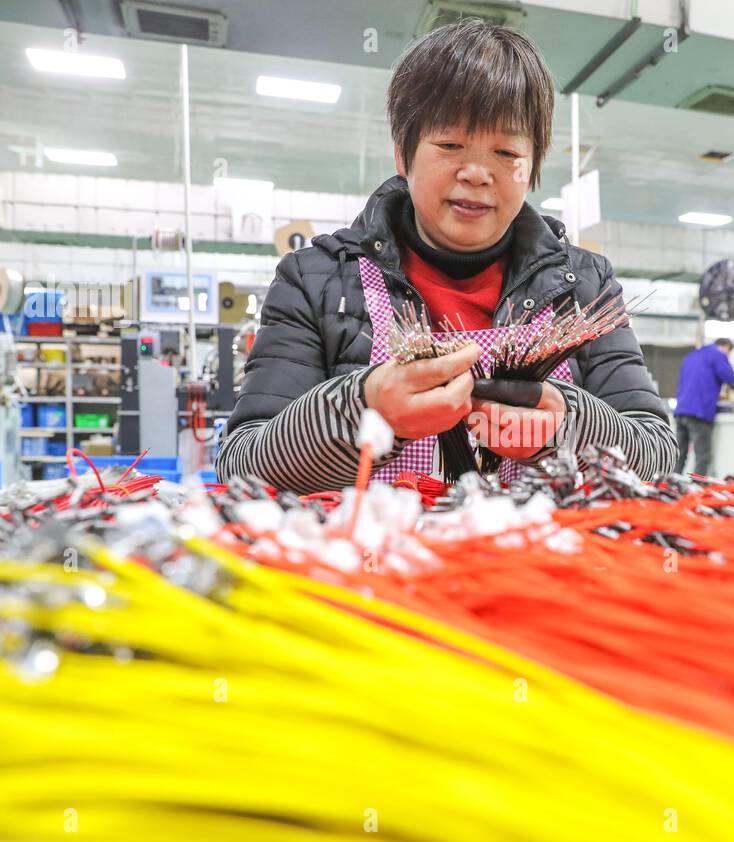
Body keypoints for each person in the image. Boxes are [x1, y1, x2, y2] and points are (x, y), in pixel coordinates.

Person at [217, 19, 674, 492]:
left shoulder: (584, 286)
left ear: (533, 164)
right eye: (450, 144)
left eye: (506, 151)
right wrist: (364, 407)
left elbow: (657, 456)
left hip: (545, 564)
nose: (476, 172)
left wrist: (569, 428)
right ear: (403, 153)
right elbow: (243, 466)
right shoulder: (314, 280)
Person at [673, 338, 734, 476]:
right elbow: (732, 381)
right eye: (729, 353)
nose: (728, 356)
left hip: (681, 410)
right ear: (725, 347)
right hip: (699, 412)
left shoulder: (692, 354)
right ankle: (697, 490)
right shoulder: (718, 355)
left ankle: (669, 489)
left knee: (679, 456)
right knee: (702, 456)